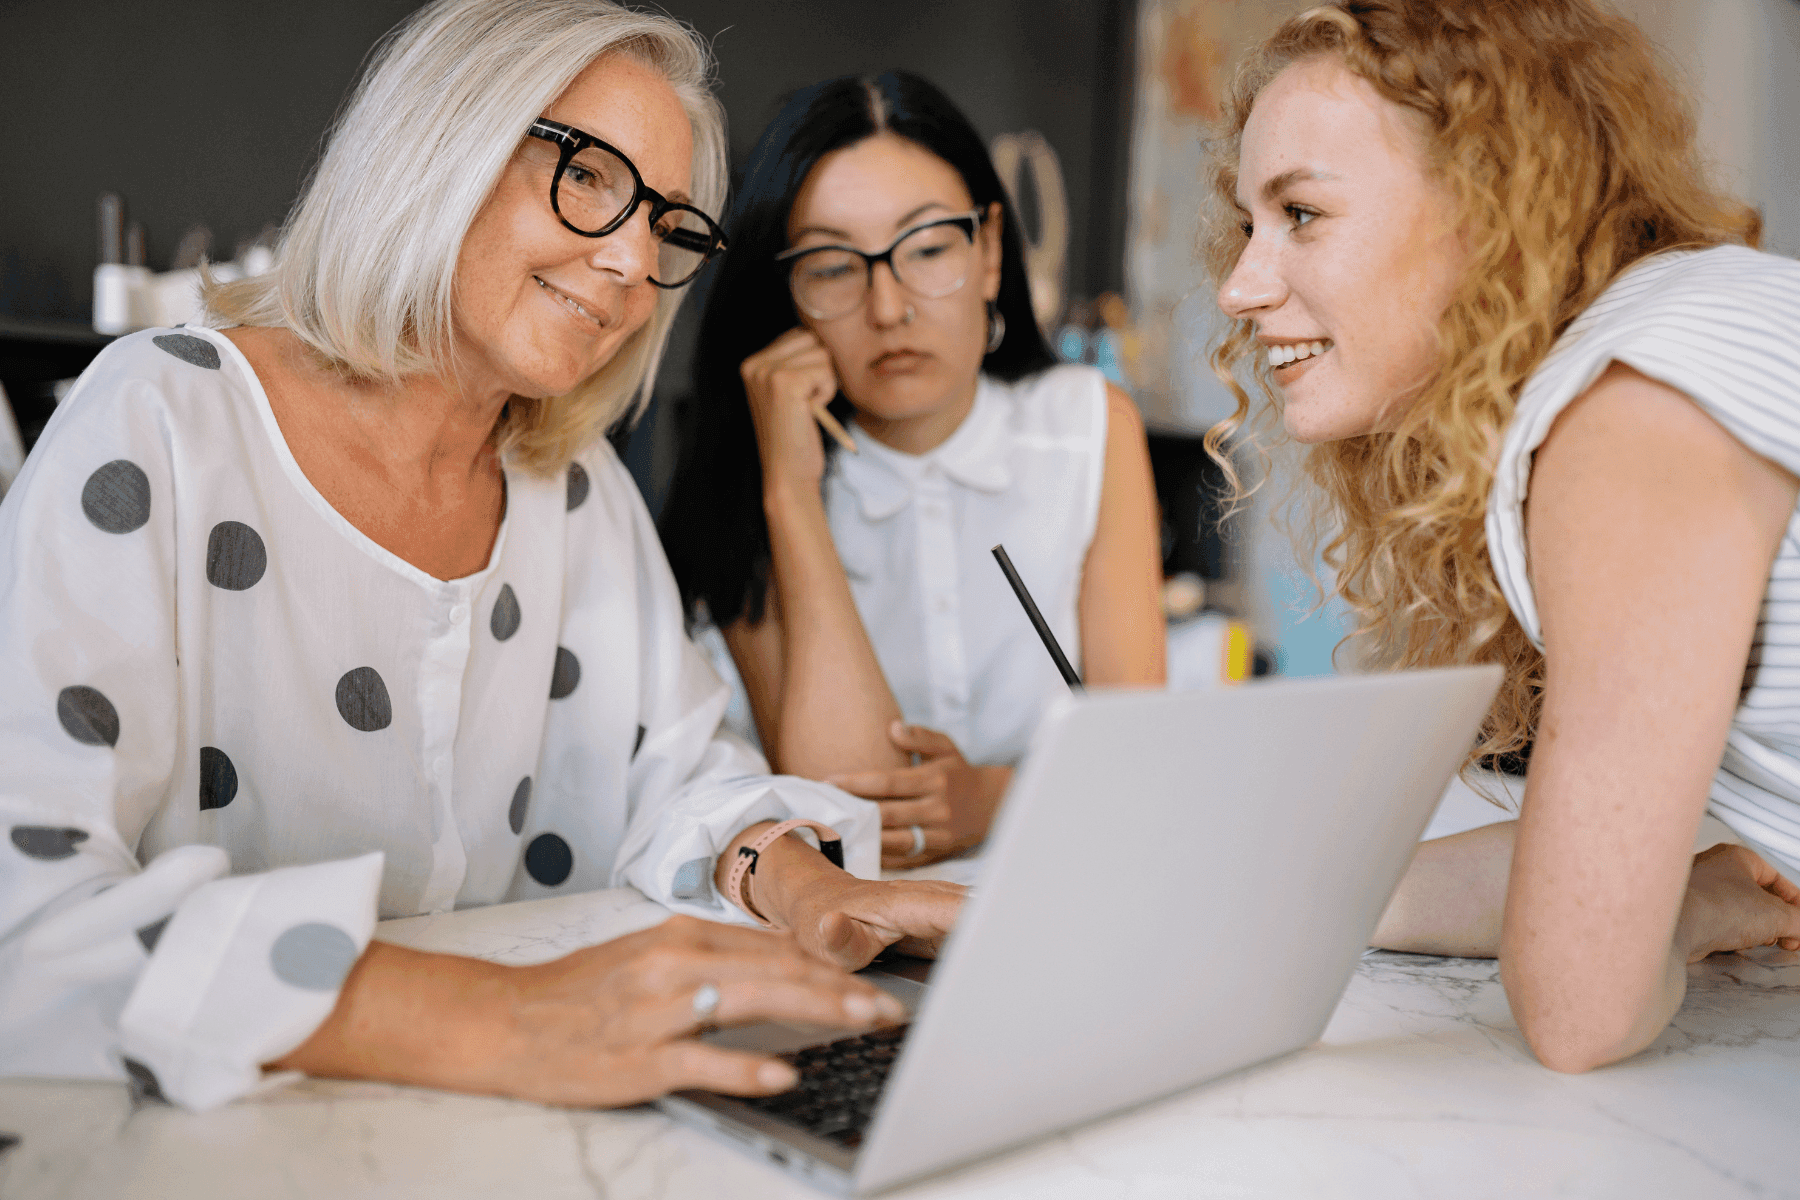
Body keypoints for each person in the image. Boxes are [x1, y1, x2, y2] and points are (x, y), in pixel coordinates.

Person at [0, 0, 963, 1113]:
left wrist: (806, 887)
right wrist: (507, 1018)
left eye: (667, 223)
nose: (631, 259)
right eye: (592, 177)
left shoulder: (575, 488)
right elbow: (24, 906)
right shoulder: (162, 420)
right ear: (440, 145)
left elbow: (682, 769)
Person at [1207, 0, 1800, 1073]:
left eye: (1301, 213)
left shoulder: (1636, 406)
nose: (1239, 286)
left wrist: (1682, 916)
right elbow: (1605, 863)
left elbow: (1581, 1009)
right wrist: (1233, 887)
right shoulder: (1664, 343)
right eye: (1248, 221)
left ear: (1487, 200)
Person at [659, 72, 1166, 869]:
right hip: (852, 933)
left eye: (928, 248)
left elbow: (1139, 759)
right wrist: (790, 491)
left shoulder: (1089, 426)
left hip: (1072, 893)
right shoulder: (752, 469)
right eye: (832, 267)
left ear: (991, 252)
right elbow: (850, 812)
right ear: (786, 292)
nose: (888, 307)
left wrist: (997, 799)